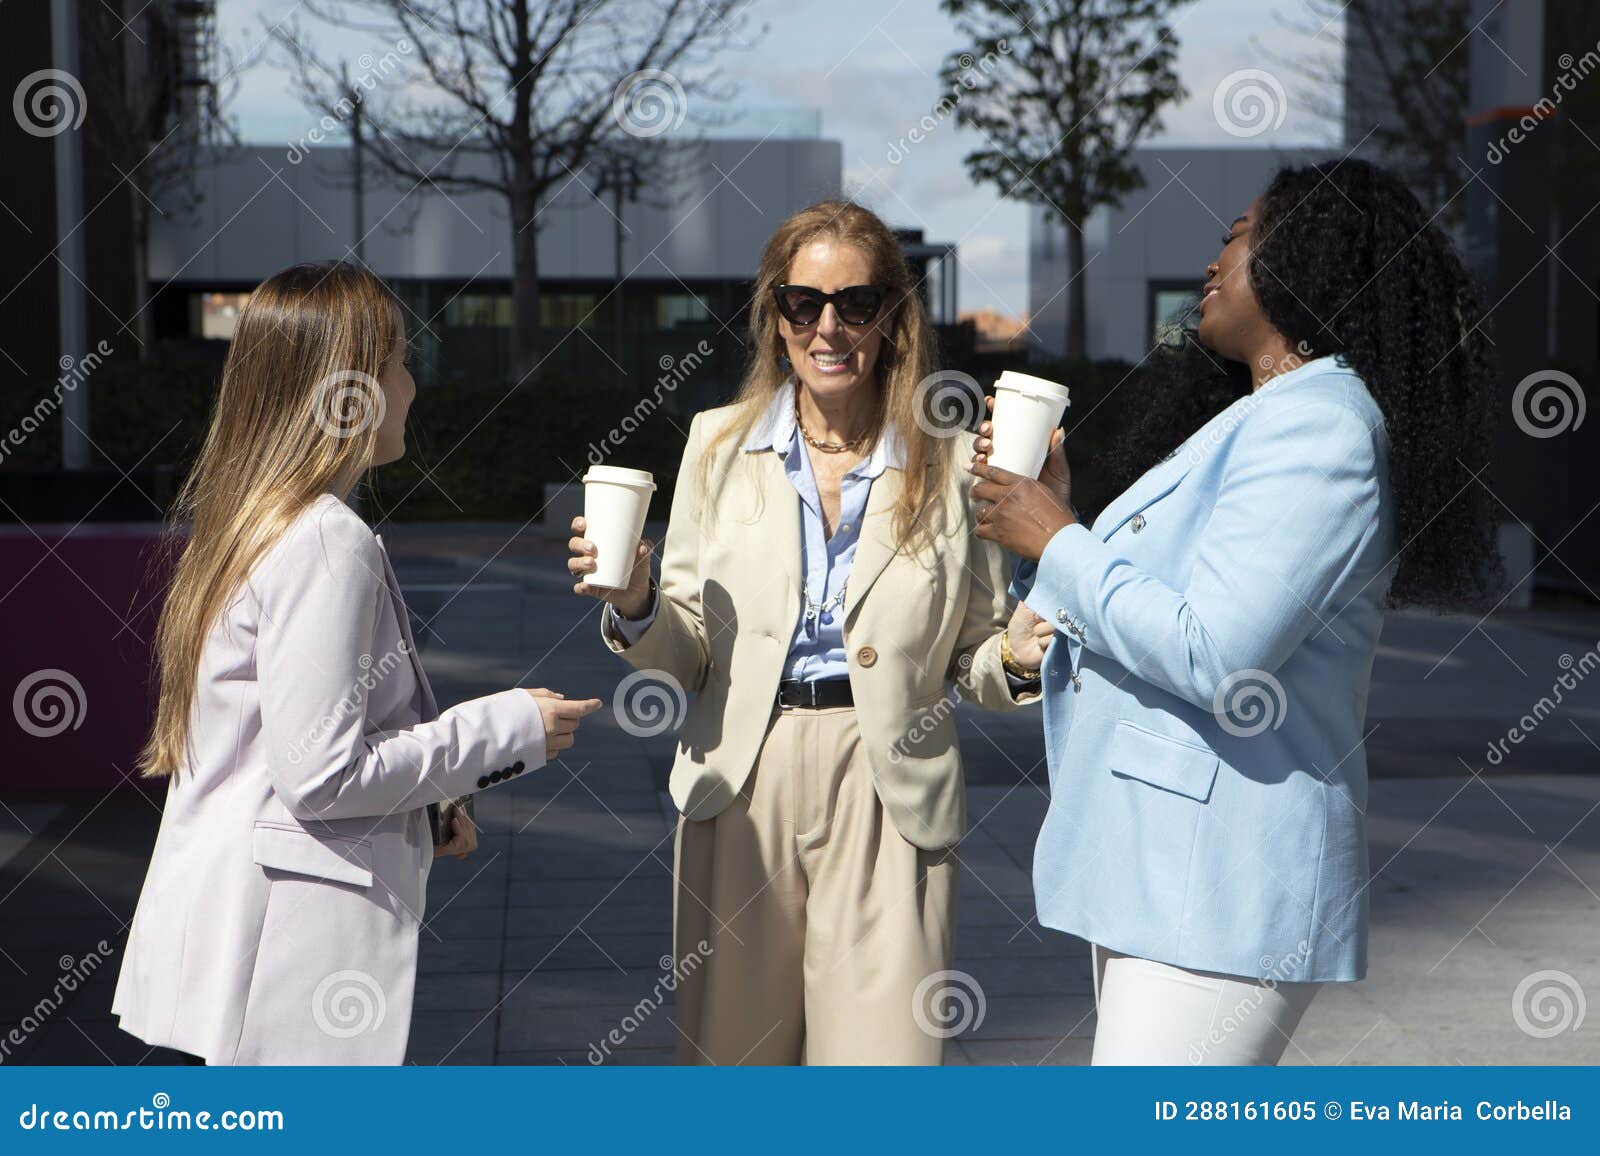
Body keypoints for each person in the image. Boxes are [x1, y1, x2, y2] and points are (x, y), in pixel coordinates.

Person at [969, 159, 1499, 1064]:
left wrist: (1059, 538)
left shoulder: (1319, 428)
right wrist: (1053, 521)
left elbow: (1219, 656)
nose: (1214, 261)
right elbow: (1154, 607)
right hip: (1166, 874)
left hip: (1219, 886)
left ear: (1312, 258)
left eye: (1238, 234)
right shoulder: (1265, 415)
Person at [567, 199, 1048, 1064]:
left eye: (856, 304)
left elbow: (974, 653)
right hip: (743, 779)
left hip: (889, 783)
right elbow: (687, 649)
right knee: (736, 1068)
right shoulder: (716, 444)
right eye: (803, 303)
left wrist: (1017, 654)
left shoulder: (948, 462)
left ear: (893, 319)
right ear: (775, 314)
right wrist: (635, 599)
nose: (829, 327)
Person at [112, 262, 602, 1064]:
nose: (412, 385)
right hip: (282, 953)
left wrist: (427, 804)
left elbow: (283, 751)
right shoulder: (323, 540)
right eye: (400, 362)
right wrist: (509, 728)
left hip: (232, 935)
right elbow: (323, 775)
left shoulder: (252, 526)